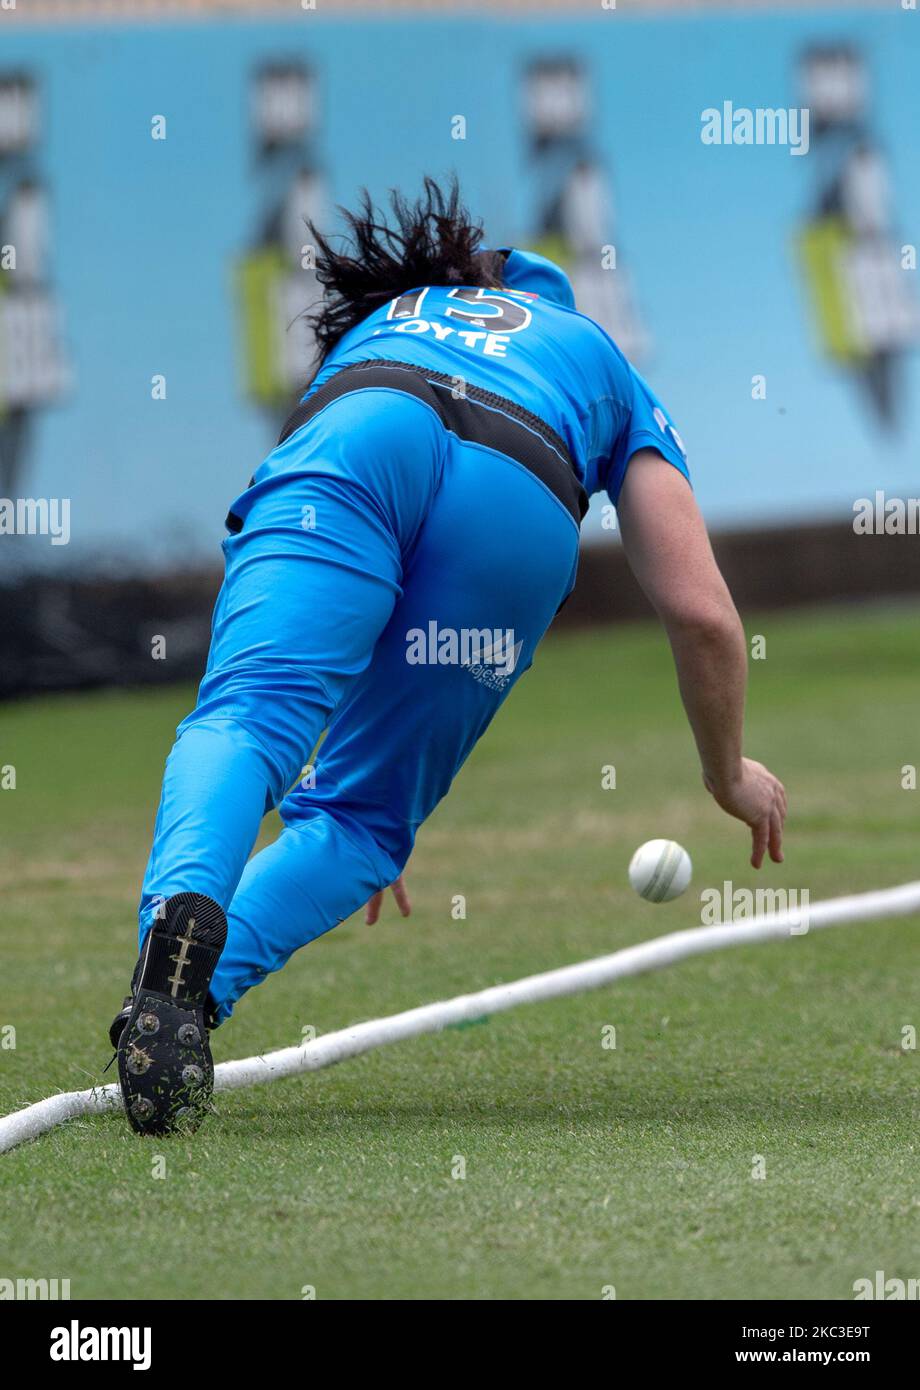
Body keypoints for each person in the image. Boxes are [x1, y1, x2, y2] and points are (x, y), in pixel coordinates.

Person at [110, 178, 786, 1136]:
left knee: (246, 721)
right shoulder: (595, 359)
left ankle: (169, 947)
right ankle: (196, 998)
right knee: (358, 822)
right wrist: (728, 773)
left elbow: (340, 607)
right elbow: (704, 615)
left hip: (360, 427)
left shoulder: (391, 319)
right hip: (519, 491)